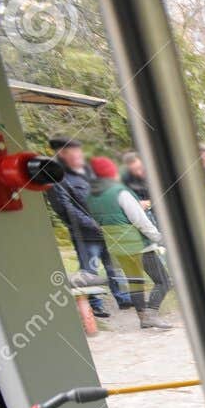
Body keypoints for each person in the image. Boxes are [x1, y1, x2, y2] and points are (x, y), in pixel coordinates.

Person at [46, 136, 133, 322]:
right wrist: (94, 225)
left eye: (79, 151)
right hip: (85, 234)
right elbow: (65, 209)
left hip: (106, 228)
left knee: (113, 265)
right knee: (89, 269)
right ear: (61, 153)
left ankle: (124, 299)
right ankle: (95, 306)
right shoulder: (56, 175)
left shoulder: (86, 171)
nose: (79, 155)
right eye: (73, 152)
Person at [88, 157, 173, 330]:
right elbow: (140, 221)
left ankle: (143, 318)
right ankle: (151, 315)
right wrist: (159, 238)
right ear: (111, 173)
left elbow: (99, 222)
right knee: (163, 281)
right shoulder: (120, 193)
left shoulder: (90, 197)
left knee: (135, 282)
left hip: (118, 248)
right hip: (139, 246)